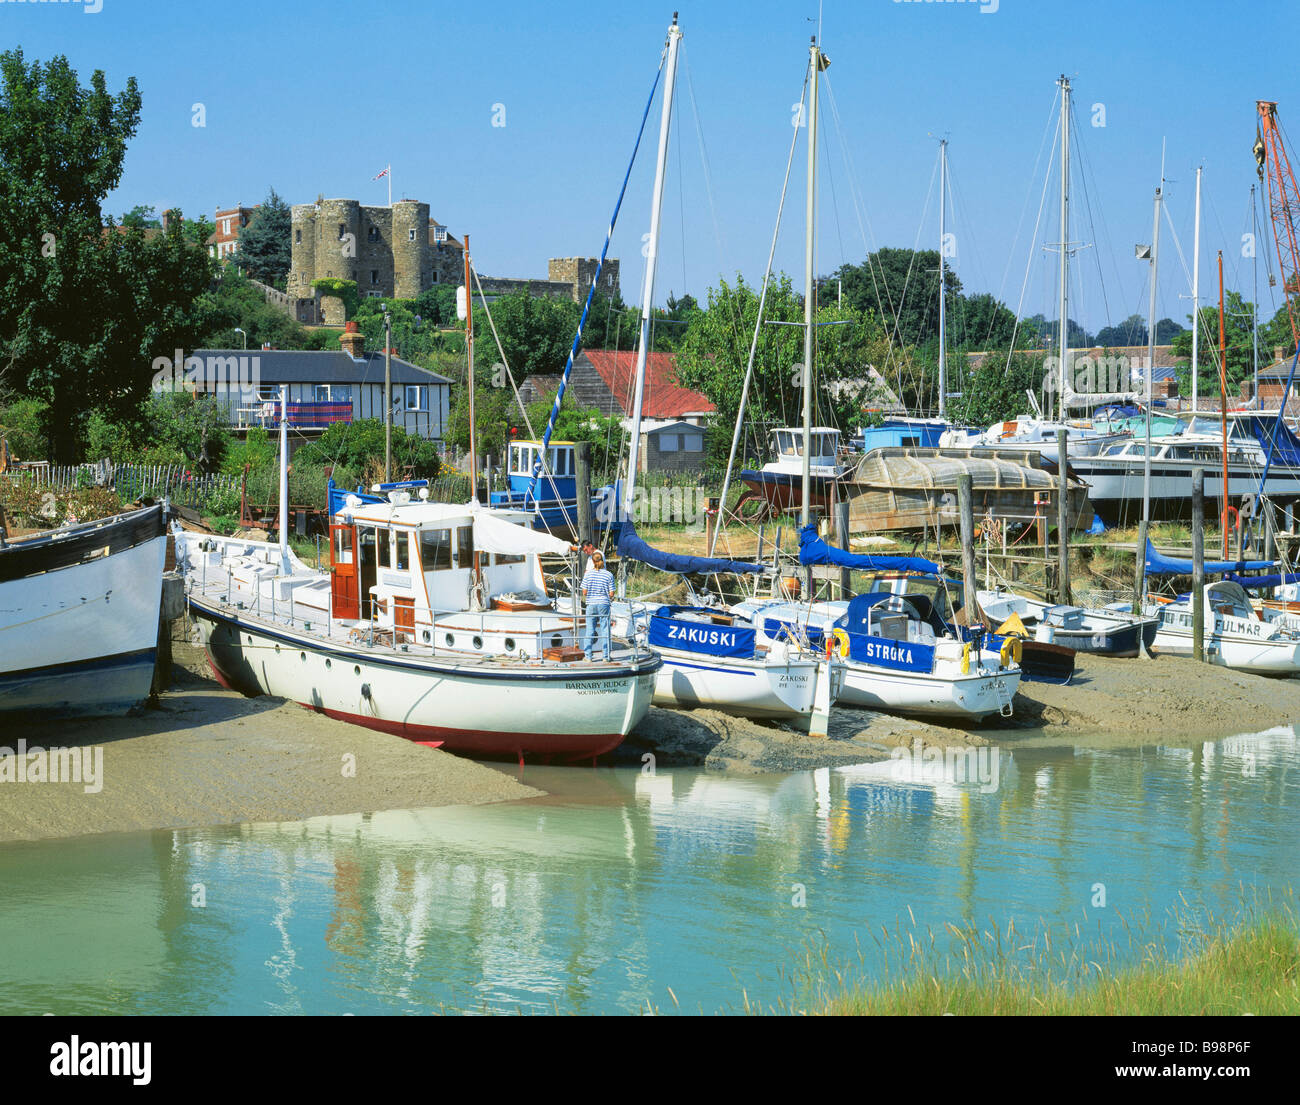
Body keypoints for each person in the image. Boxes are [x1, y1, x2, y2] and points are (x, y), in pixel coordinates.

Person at [580, 551, 615, 662]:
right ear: (603, 561)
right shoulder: (609, 575)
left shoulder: (588, 574)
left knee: (590, 630)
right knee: (605, 630)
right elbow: (611, 593)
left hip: (591, 604)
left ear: (593, 561)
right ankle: (606, 657)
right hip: (604, 604)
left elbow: (584, 592)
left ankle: (588, 657)